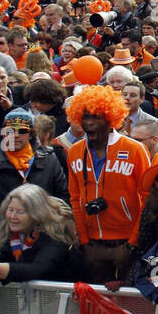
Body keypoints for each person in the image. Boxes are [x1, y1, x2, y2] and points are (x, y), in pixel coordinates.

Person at [65, 84, 151, 283]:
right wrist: (85, 243)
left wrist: (132, 244)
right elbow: (75, 199)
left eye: (96, 117)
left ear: (111, 118)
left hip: (127, 242)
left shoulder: (134, 150)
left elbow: (148, 200)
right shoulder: (74, 152)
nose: (89, 123)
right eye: (85, 117)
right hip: (93, 245)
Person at [0, 183, 78, 283]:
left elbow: (39, 269)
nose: (12, 216)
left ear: (37, 214)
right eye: (10, 210)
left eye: (20, 212)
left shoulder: (57, 232)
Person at [0, 108, 69, 217]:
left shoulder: (49, 159)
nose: (16, 135)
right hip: (5, 228)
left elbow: (63, 195)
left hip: (42, 227)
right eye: (10, 130)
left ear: (31, 134)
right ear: (3, 134)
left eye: (22, 131)